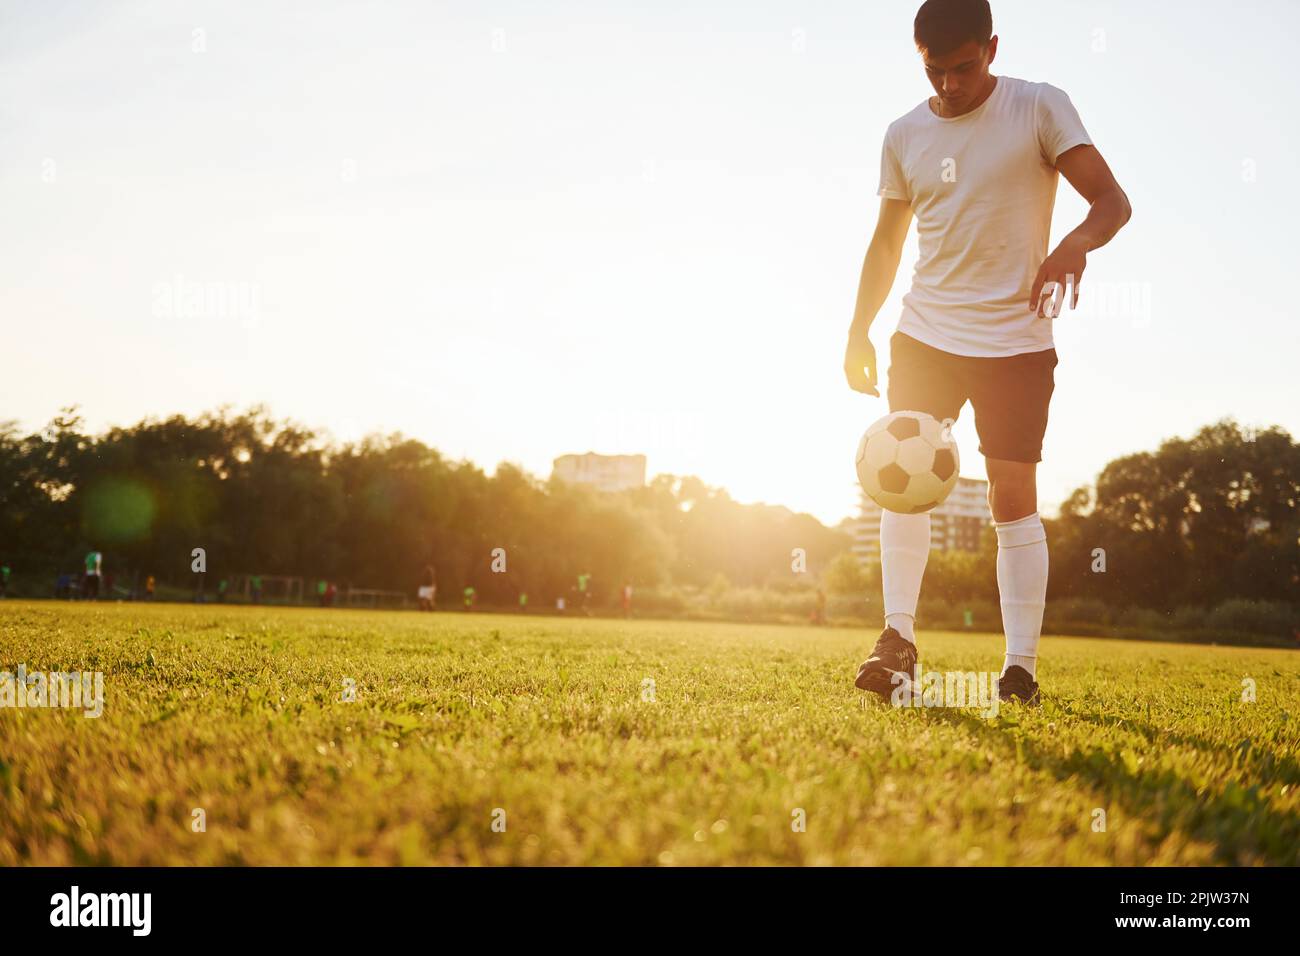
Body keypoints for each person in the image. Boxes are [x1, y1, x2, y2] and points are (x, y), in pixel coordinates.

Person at [844, 0, 1131, 707]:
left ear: (993, 48)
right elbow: (886, 243)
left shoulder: (1039, 108)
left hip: (1015, 339)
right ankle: (897, 640)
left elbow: (1112, 203)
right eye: (934, 72)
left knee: (1012, 496)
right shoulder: (903, 134)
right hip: (925, 333)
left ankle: (1020, 670)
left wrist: (1073, 245)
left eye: (964, 68)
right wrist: (858, 329)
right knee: (902, 480)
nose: (949, 85)